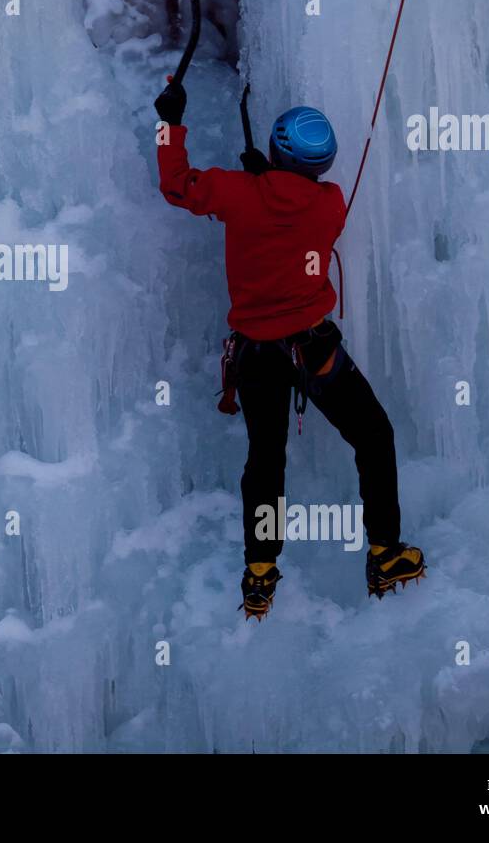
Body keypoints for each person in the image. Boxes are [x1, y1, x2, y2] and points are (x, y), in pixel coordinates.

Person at [154, 77, 424, 620]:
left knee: (266, 462)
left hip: (256, 355)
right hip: (314, 350)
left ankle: (259, 573)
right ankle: (385, 552)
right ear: (323, 166)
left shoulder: (234, 193)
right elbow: (294, 205)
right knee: (373, 434)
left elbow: (177, 185)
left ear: (276, 152)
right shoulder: (328, 204)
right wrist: (272, 178)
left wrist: (169, 124)